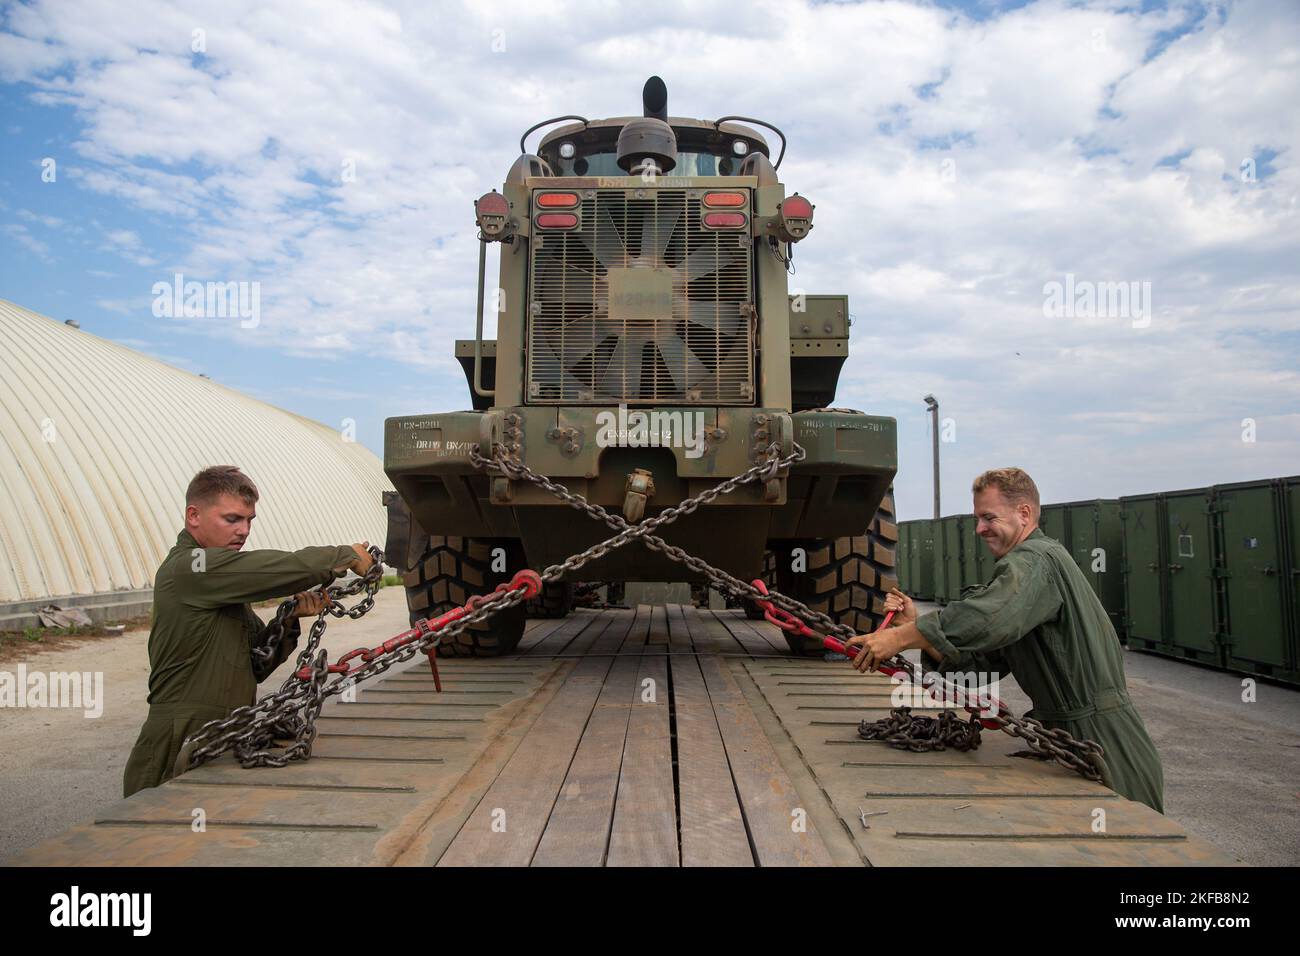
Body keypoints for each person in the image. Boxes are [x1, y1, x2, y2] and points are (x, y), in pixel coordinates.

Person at [846, 467, 1165, 813]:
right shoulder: (1028, 573)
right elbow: (978, 667)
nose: (979, 529)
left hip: (1107, 744)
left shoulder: (1036, 562)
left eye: (988, 517)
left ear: (1024, 513)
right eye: (977, 518)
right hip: (1074, 739)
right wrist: (920, 633)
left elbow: (989, 618)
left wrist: (902, 636)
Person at [122, 465, 374, 797]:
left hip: (221, 736)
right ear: (193, 516)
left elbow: (257, 663)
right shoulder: (190, 568)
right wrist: (344, 556)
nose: (243, 531)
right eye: (232, 519)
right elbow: (276, 568)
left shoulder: (221, 587)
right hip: (177, 740)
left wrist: (289, 619)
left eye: (249, 521)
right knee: (154, 842)